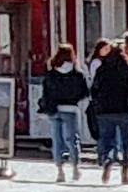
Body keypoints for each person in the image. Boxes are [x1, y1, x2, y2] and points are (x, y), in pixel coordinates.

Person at [91, 35, 128, 184]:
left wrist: (97, 105)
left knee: (107, 140)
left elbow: (94, 90)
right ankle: (126, 173)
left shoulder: (102, 69)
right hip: (124, 110)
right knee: (127, 142)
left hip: (104, 111)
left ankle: (108, 161)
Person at [38, 42, 91, 182]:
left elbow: (46, 93)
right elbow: (84, 92)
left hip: (54, 110)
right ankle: (75, 169)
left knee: (57, 140)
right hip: (71, 109)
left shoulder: (51, 74)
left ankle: (60, 171)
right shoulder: (78, 74)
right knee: (72, 139)